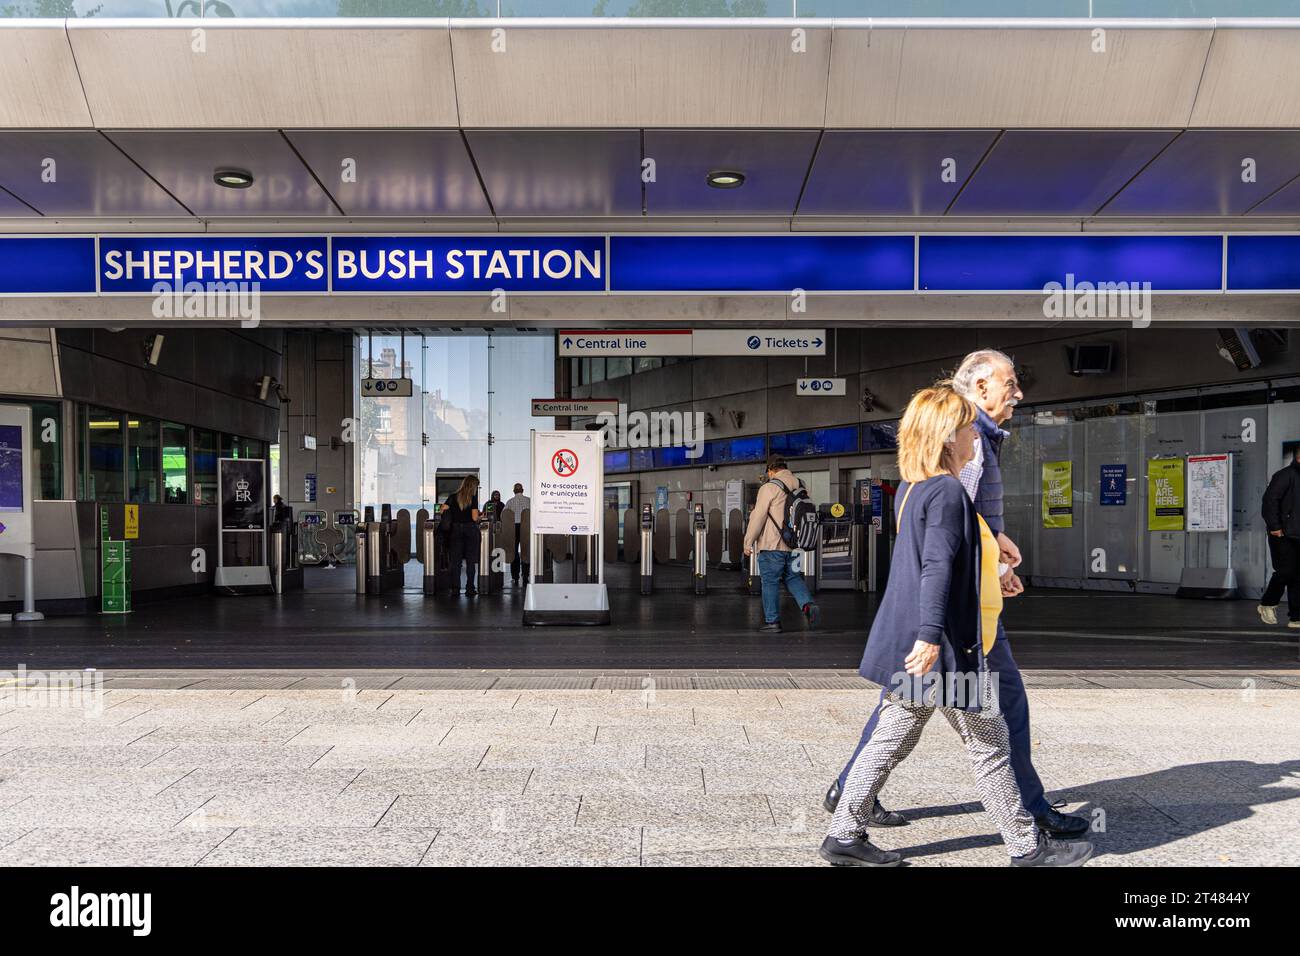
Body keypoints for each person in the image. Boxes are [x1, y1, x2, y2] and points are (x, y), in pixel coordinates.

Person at [820, 384, 1093, 868]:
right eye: (969, 427)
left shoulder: (913, 489)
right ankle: (1027, 849)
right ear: (948, 437)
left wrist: (995, 577)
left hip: (919, 644)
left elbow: (943, 559)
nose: (975, 436)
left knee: (891, 738)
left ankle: (843, 834)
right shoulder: (947, 491)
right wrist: (930, 637)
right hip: (946, 649)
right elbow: (936, 567)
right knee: (990, 745)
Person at [743, 455, 819, 633]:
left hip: (771, 544)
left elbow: (758, 516)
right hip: (792, 544)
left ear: (771, 470)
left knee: (770, 581)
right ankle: (808, 605)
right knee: (792, 577)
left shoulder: (769, 487)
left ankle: (772, 621)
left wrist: (748, 541)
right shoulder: (800, 484)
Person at [1260, 446, 1300, 628]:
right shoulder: (1285, 475)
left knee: (1298, 576)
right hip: (1282, 534)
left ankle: (1296, 618)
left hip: (1297, 534)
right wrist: (1275, 527)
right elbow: (1270, 500)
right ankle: (1268, 603)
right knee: (1286, 571)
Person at [444, 474, 482, 596]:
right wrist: (481, 517)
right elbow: (474, 517)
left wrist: (453, 513)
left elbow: (441, 509)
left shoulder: (452, 497)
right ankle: (470, 589)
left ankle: (455, 589)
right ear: (473, 486)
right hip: (470, 530)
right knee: (470, 562)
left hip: (455, 530)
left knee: (456, 562)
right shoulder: (473, 498)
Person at [506, 482, 530, 583]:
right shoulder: (529, 500)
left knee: (514, 552)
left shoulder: (510, 502)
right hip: (526, 527)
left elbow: (505, 515)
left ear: (514, 491)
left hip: (513, 527)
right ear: (522, 490)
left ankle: (515, 577)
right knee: (525, 552)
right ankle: (525, 575)